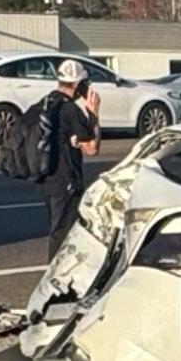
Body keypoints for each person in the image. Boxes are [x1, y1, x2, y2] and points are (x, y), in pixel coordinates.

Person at [40, 59, 101, 255]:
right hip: (66, 180)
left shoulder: (46, 103)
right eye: (85, 84)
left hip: (46, 178)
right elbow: (92, 148)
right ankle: (56, 275)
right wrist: (93, 115)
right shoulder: (71, 110)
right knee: (64, 234)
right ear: (77, 85)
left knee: (56, 228)